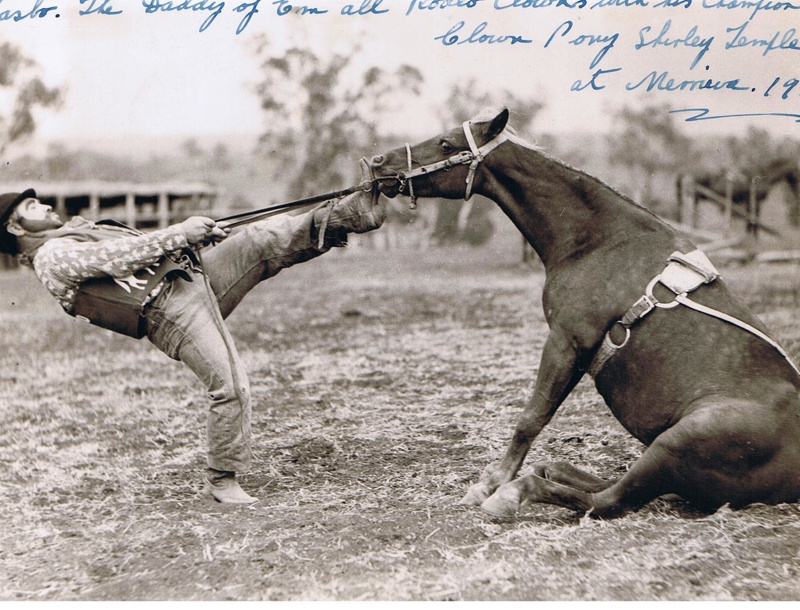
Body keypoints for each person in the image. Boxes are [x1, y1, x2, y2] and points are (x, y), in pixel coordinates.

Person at [0, 176, 386, 504]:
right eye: (32, 207)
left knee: (259, 237)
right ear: (16, 229)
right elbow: (118, 257)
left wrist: (191, 241)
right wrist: (179, 232)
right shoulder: (51, 255)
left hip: (191, 278)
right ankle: (223, 478)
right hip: (169, 313)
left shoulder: (71, 234)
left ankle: (351, 213)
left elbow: (143, 254)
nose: (46, 206)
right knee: (230, 385)